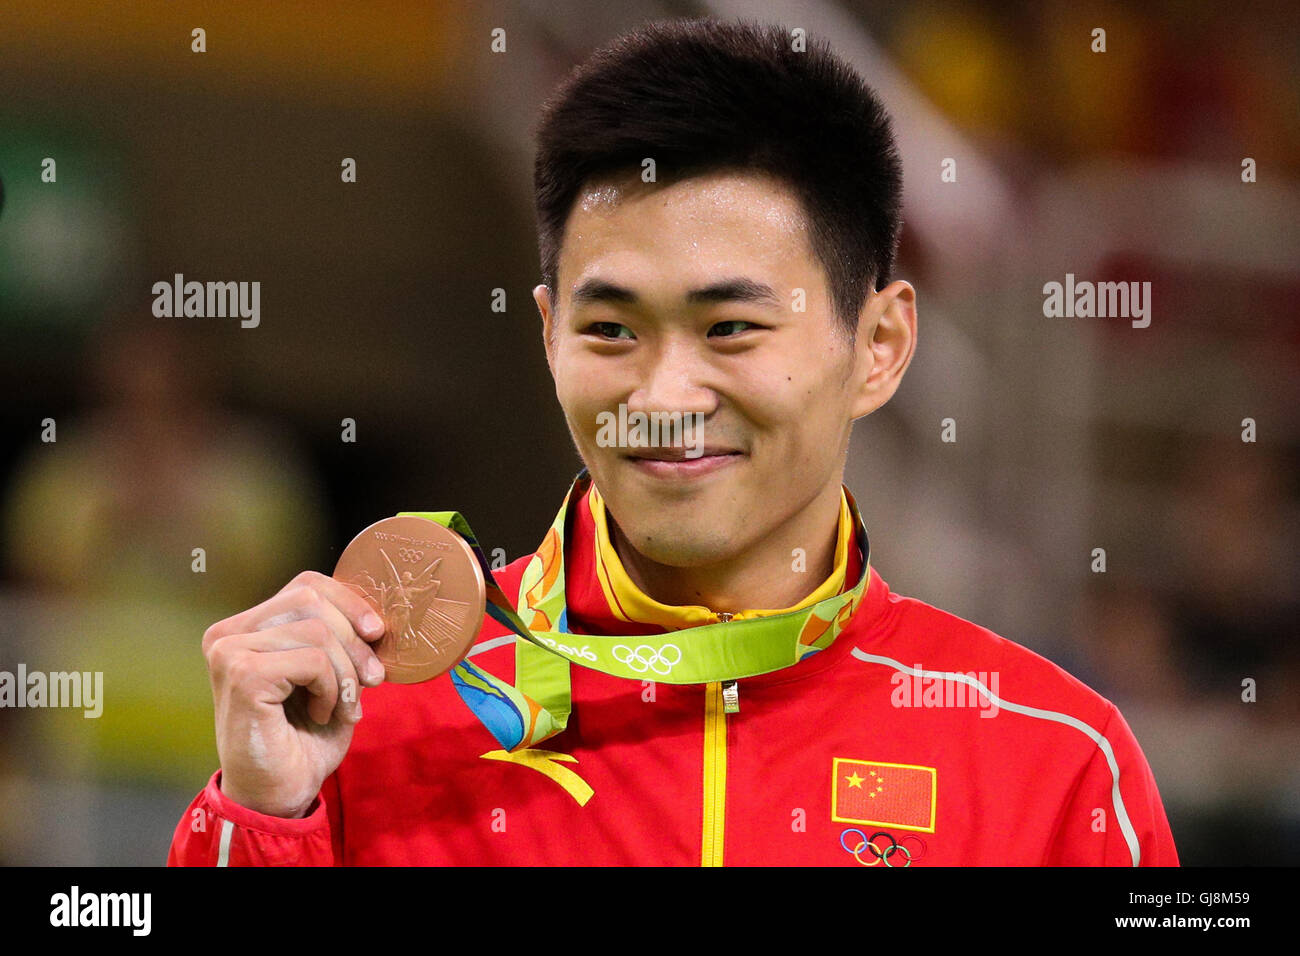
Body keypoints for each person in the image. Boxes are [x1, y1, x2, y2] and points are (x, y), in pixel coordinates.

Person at [168, 17, 1178, 866]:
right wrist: (262, 819)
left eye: (730, 327)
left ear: (878, 345)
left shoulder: (1052, 768)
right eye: (609, 328)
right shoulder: (368, 727)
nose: (662, 392)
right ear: (547, 332)